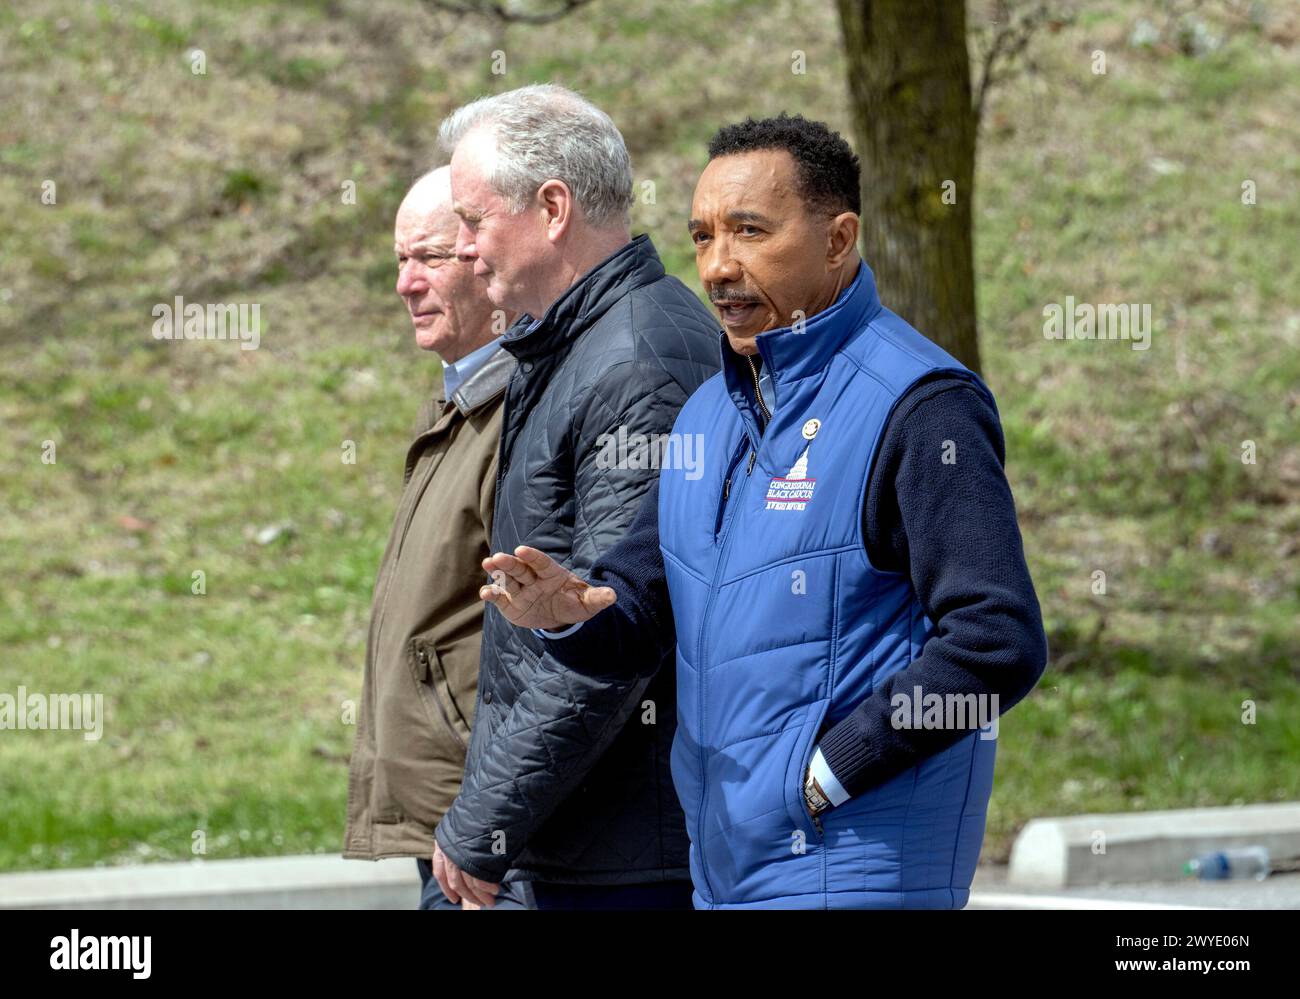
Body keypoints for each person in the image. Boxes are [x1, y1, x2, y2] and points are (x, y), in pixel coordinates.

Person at [480, 114, 1049, 909]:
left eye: (749, 231)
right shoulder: (707, 414)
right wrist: (571, 610)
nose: (717, 266)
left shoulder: (921, 406)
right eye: (703, 235)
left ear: (839, 239)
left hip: (852, 873)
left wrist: (826, 772)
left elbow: (998, 642)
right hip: (723, 877)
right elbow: (641, 605)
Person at [430, 85, 719, 911]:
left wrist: (488, 819)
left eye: (473, 220)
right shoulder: (578, 342)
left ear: (552, 207)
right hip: (579, 840)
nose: (461, 249)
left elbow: (613, 626)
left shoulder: (637, 359)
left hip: (620, 858)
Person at [342, 167, 531, 910]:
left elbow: (539, 644)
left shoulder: (516, 408)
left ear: (484, 262)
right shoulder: (461, 399)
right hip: (451, 832)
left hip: (487, 842)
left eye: (427, 258)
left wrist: (487, 818)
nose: (404, 284)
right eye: (398, 261)